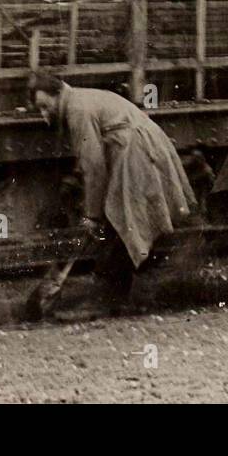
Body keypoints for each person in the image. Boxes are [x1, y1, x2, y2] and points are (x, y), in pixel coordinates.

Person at [28, 74, 196, 319]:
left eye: (45, 106)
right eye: (39, 110)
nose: (44, 115)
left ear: (58, 93)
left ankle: (105, 301)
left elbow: (94, 168)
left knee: (120, 221)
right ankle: (112, 298)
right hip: (135, 147)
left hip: (135, 151)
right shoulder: (79, 99)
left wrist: (92, 216)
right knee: (120, 225)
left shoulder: (76, 109)